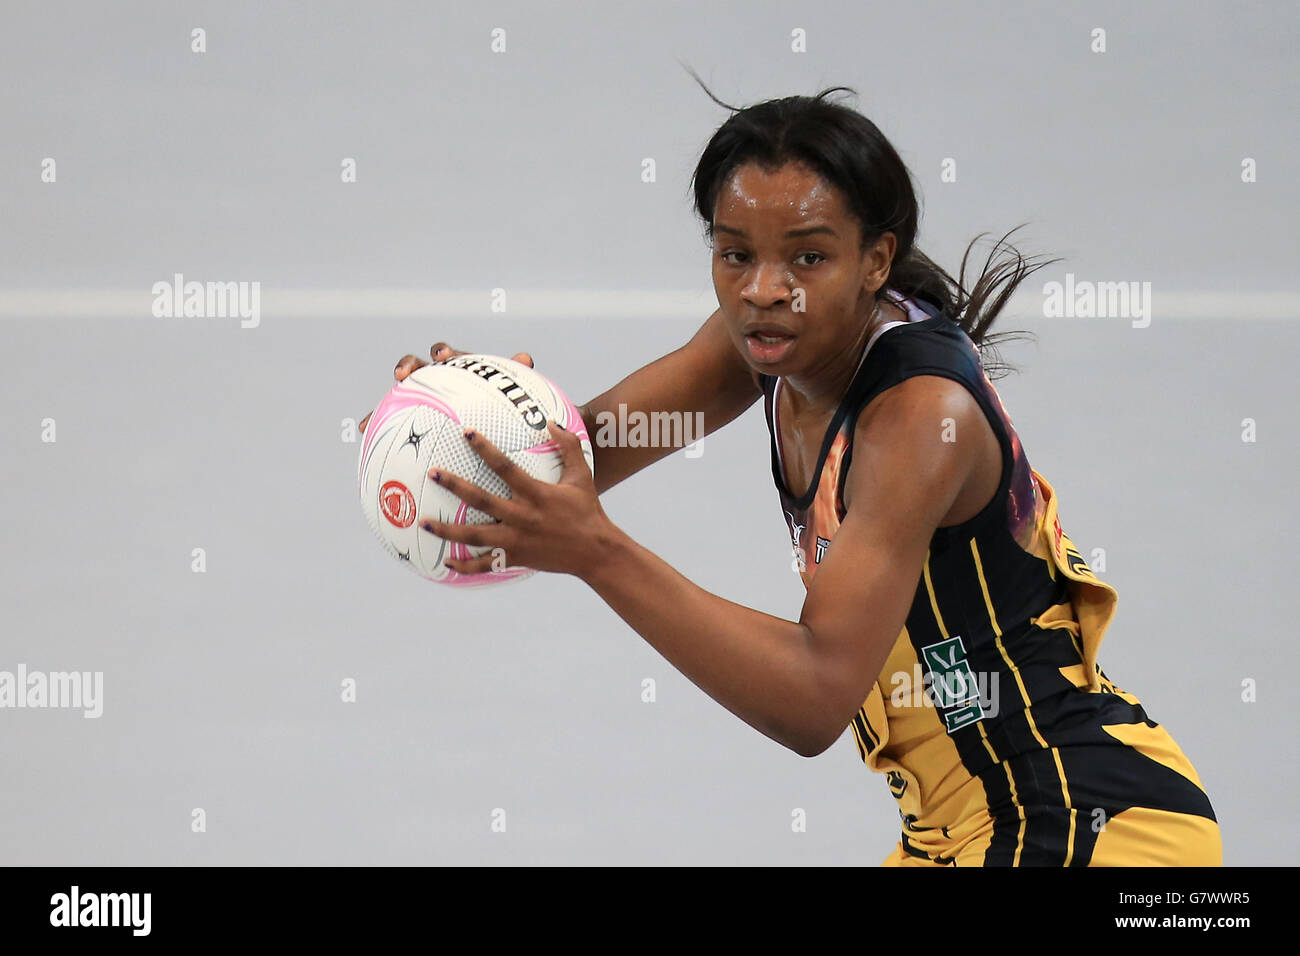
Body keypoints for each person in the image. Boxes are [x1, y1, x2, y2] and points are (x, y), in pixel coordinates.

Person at [359, 87, 1220, 866]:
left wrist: (599, 554)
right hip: (957, 836)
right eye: (735, 255)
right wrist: (453, 432)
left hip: (1088, 823)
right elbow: (570, 469)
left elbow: (815, 697)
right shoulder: (764, 342)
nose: (764, 290)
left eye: (807, 259)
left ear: (874, 260)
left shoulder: (919, 417)